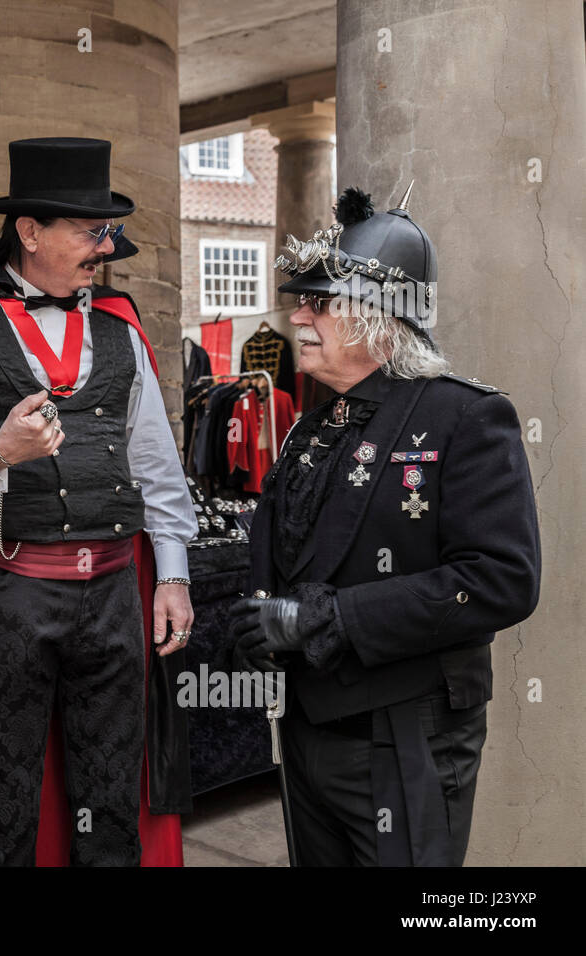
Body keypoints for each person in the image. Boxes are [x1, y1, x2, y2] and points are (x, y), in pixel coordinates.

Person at [231, 185, 541, 866]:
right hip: (308, 733)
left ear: (377, 318)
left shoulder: (465, 418)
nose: (299, 316)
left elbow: (502, 581)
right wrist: (261, 620)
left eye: (320, 303)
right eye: (301, 300)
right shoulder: (315, 424)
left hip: (404, 736)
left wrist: (336, 619)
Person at [0, 137, 198, 866]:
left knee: (110, 794)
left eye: (108, 233)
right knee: (4, 788)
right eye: (90, 232)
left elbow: (155, 463)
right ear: (31, 231)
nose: (105, 250)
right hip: (4, 588)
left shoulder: (120, 327)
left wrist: (172, 573)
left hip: (112, 591)